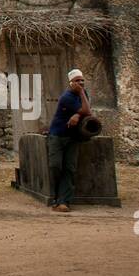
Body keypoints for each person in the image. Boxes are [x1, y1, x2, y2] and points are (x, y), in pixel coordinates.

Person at [46, 69, 91, 212]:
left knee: (69, 168)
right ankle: (55, 197)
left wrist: (77, 114)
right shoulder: (67, 97)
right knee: (55, 166)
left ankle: (63, 201)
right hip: (57, 136)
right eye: (78, 81)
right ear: (71, 83)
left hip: (72, 137)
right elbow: (86, 110)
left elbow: (87, 111)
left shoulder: (82, 95)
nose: (81, 83)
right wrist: (80, 111)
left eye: (82, 80)